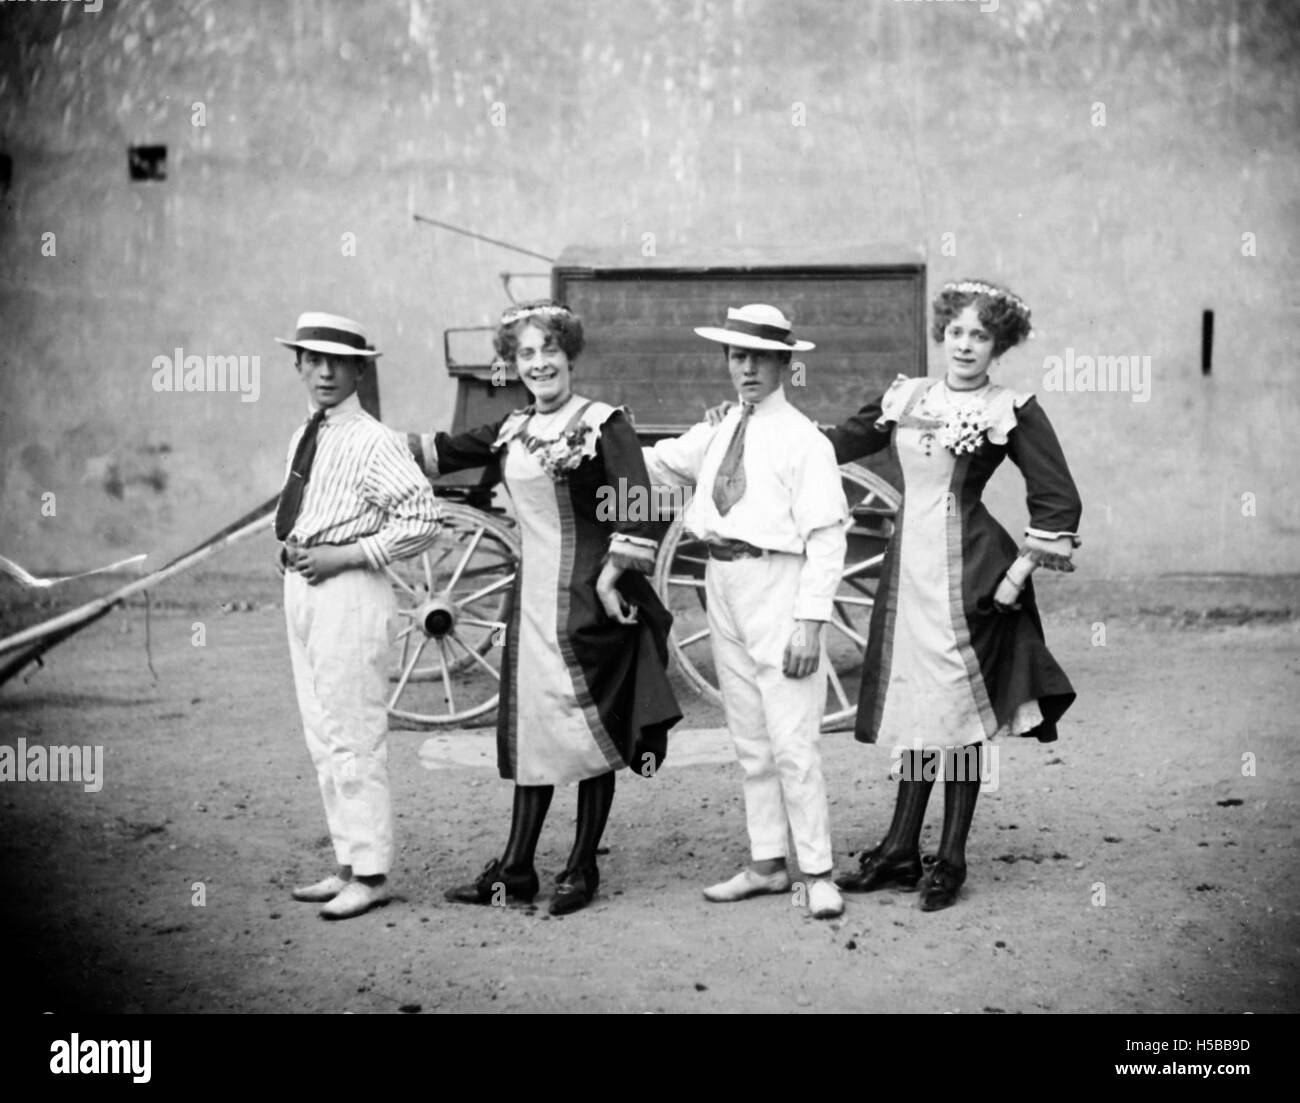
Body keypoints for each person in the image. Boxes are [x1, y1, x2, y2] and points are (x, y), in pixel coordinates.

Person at [407, 300, 682, 916]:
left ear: (569, 354)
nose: (538, 364)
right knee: (535, 729)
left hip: (591, 600)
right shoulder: (511, 429)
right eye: (525, 354)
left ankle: (581, 868)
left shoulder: (603, 422)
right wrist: (354, 440)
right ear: (514, 364)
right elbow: (440, 452)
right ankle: (516, 869)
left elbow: (633, 501)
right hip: (530, 607)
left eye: (548, 351)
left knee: (591, 729)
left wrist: (614, 575)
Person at [824, 279, 1082, 912]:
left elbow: (1058, 499)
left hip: (972, 579)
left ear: (999, 345)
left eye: (981, 335)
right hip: (906, 576)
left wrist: (1017, 575)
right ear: (941, 334)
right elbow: (832, 444)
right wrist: (758, 425)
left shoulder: (1011, 408)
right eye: (956, 332)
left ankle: (953, 856)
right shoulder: (906, 397)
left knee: (960, 716)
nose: (965, 345)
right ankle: (898, 849)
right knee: (918, 707)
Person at [642, 304, 850, 921]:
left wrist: (810, 622)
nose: (748, 368)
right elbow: (658, 463)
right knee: (750, 740)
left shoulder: (804, 441)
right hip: (722, 581)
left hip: (777, 584)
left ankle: (817, 872)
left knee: (793, 742)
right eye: (738, 356)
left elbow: (827, 538)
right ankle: (766, 864)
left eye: (761, 357)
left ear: (786, 363)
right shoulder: (719, 429)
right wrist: (596, 434)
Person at [275, 311, 441, 920]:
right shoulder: (307, 434)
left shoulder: (373, 440)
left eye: (337, 362)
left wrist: (345, 554)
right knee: (323, 734)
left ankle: (371, 873)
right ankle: (347, 862)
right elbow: (310, 509)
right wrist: (293, 548)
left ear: (357, 370)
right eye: (312, 360)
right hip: (306, 589)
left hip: (351, 591)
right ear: (297, 365)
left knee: (354, 733)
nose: (323, 371)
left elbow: (423, 519)